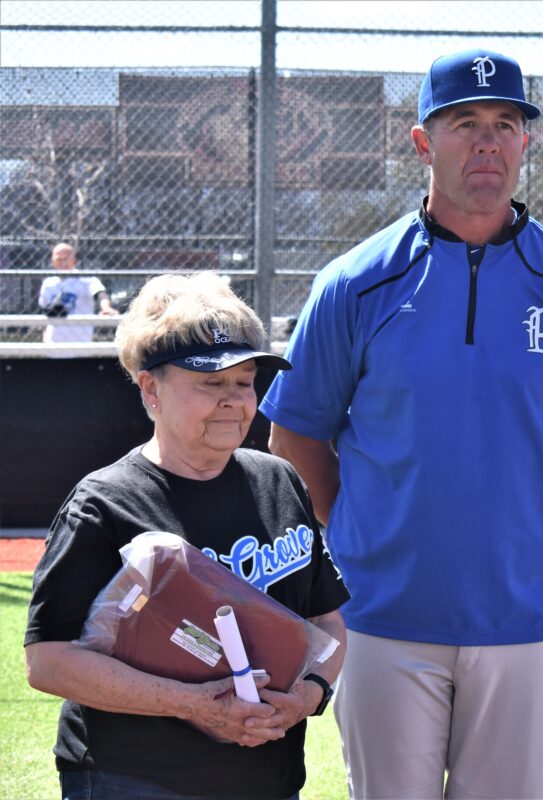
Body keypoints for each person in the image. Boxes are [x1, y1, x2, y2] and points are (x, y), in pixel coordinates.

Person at [261, 48, 543, 799]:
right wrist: (367, 528)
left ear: (526, 142)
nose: (489, 141)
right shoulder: (356, 282)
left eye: (507, 123)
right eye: (466, 122)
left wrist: (523, 522)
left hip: (521, 614)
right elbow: (295, 437)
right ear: (423, 142)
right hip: (382, 613)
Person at [24, 272, 349, 799]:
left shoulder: (279, 479)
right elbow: (49, 661)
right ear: (151, 388)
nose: (233, 400)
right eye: (210, 383)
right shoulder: (105, 502)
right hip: (136, 777)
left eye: (244, 382)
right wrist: (191, 703)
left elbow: (327, 619)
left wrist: (309, 695)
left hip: (268, 778)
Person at [37, 242, 119, 344]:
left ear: (74, 261)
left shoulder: (87, 279)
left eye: (66, 259)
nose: (63, 262)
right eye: (59, 259)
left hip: (80, 342)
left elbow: (100, 294)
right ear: (53, 261)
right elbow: (44, 312)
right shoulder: (48, 283)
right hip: (53, 343)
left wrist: (106, 308)